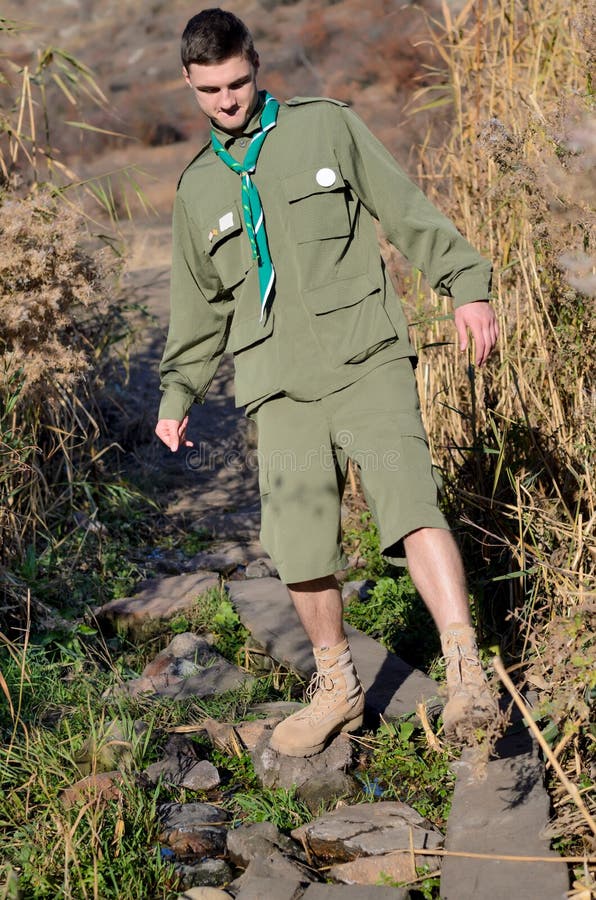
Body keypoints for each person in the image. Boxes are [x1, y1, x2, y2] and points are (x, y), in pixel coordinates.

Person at [156, 8, 499, 756]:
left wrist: (465, 284)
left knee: (408, 498)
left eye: (239, 82)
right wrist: (178, 394)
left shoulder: (325, 129)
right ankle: (338, 685)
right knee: (300, 539)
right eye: (210, 89)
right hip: (278, 385)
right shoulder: (197, 190)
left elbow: (404, 211)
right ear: (189, 81)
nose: (228, 101)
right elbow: (198, 307)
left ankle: (468, 671)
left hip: (364, 358)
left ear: (257, 64)